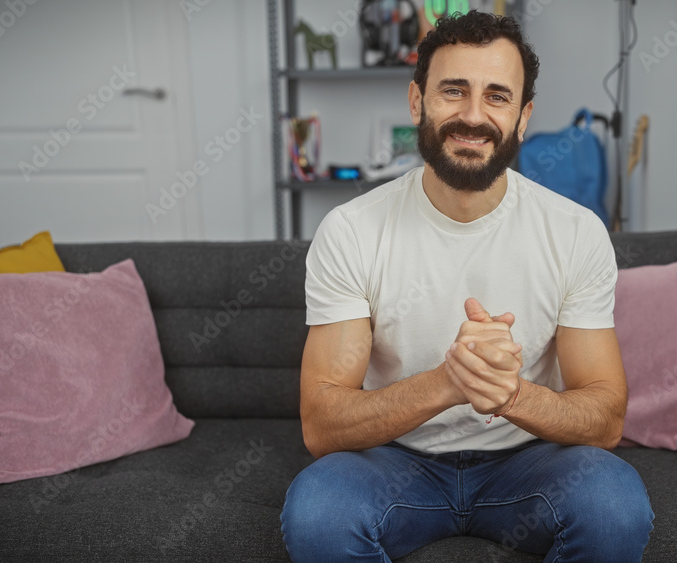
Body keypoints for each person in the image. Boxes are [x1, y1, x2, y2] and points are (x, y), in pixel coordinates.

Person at [280, 10, 653, 562]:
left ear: (523, 117)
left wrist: (510, 395)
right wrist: (449, 382)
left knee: (615, 505)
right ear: (416, 102)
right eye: (453, 91)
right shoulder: (351, 230)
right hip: (396, 463)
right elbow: (322, 424)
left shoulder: (576, 232)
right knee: (316, 512)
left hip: (529, 462)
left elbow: (605, 417)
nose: (474, 116)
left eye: (497, 96)